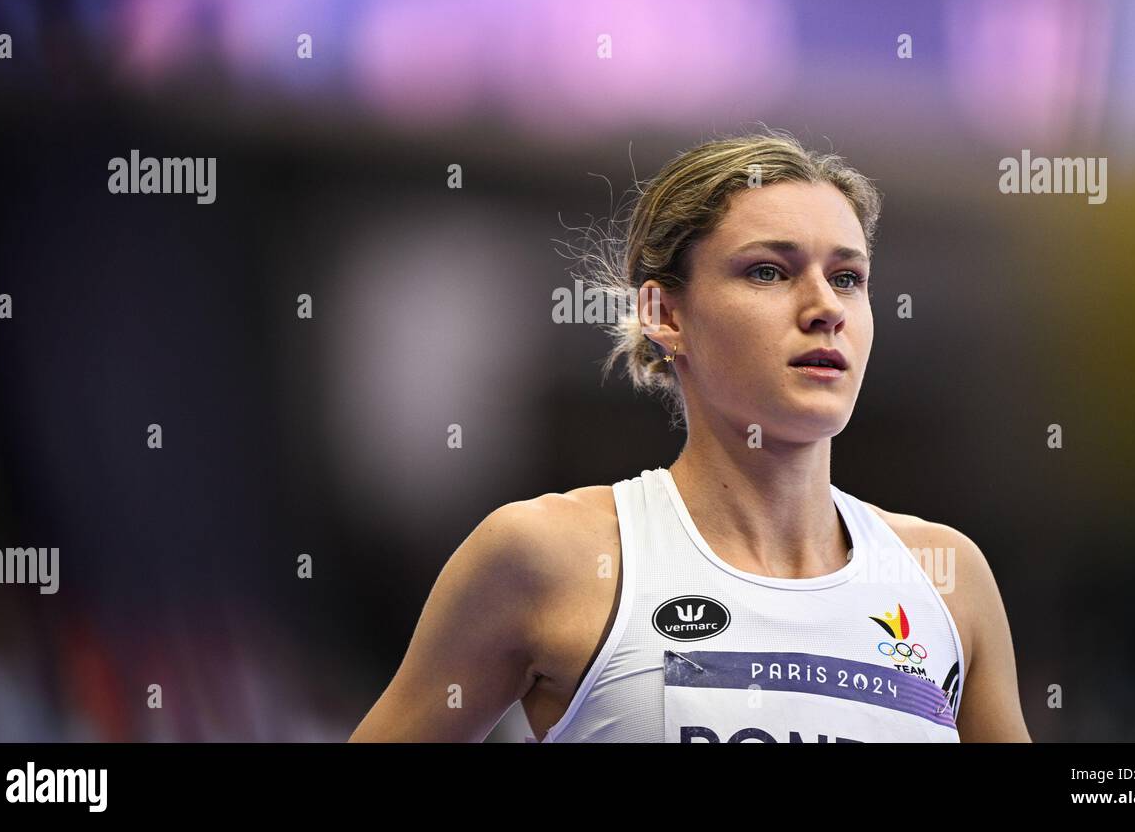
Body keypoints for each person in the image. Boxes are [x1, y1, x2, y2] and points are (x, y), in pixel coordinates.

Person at [350, 130, 1030, 743]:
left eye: (847, 278)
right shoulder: (548, 556)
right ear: (665, 314)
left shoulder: (945, 579)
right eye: (769, 271)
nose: (826, 308)